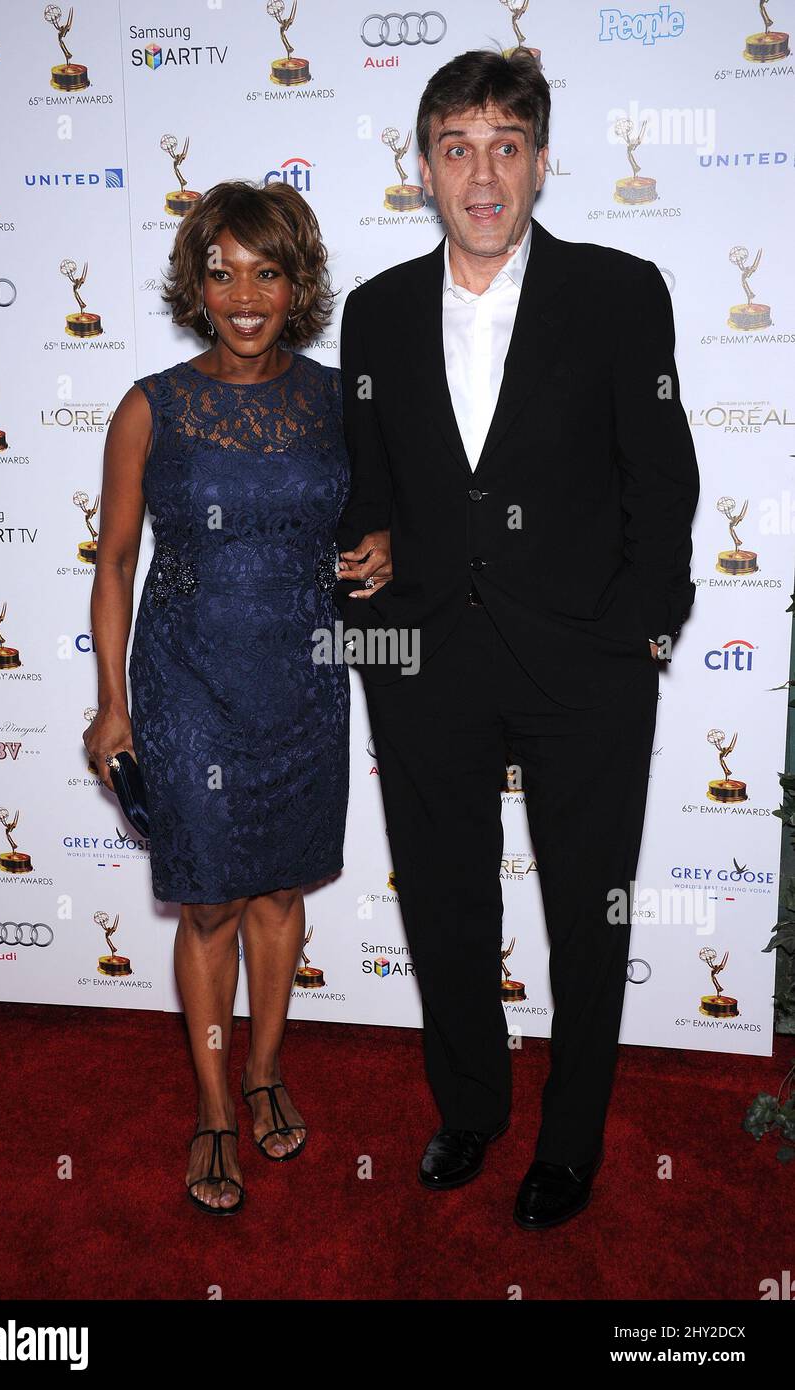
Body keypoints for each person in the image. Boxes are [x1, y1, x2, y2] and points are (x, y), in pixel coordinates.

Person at [333, 48, 700, 1229]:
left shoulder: (621, 290)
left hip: (584, 666)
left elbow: (665, 484)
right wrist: (366, 566)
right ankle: (472, 1109)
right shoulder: (378, 309)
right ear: (424, 166)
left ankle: (572, 1139)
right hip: (425, 660)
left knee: (591, 914)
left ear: (541, 161)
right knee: (445, 903)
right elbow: (367, 488)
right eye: (456, 147)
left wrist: (639, 636)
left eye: (505, 146)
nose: (481, 174)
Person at [84, 180, 352, 1214]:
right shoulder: (151, 404)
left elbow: (382, 524)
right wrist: (114, 705)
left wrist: (386, 545)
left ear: (296, 283)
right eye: (221, 270)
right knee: (209, 905)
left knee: (280, 893)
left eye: (266, 272)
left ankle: (265, 1069)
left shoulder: (338, 400)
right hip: (187, 680)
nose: (244, 294)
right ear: (196, 282)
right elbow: (113, 563)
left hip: (305, 679)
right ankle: (213, 1109)